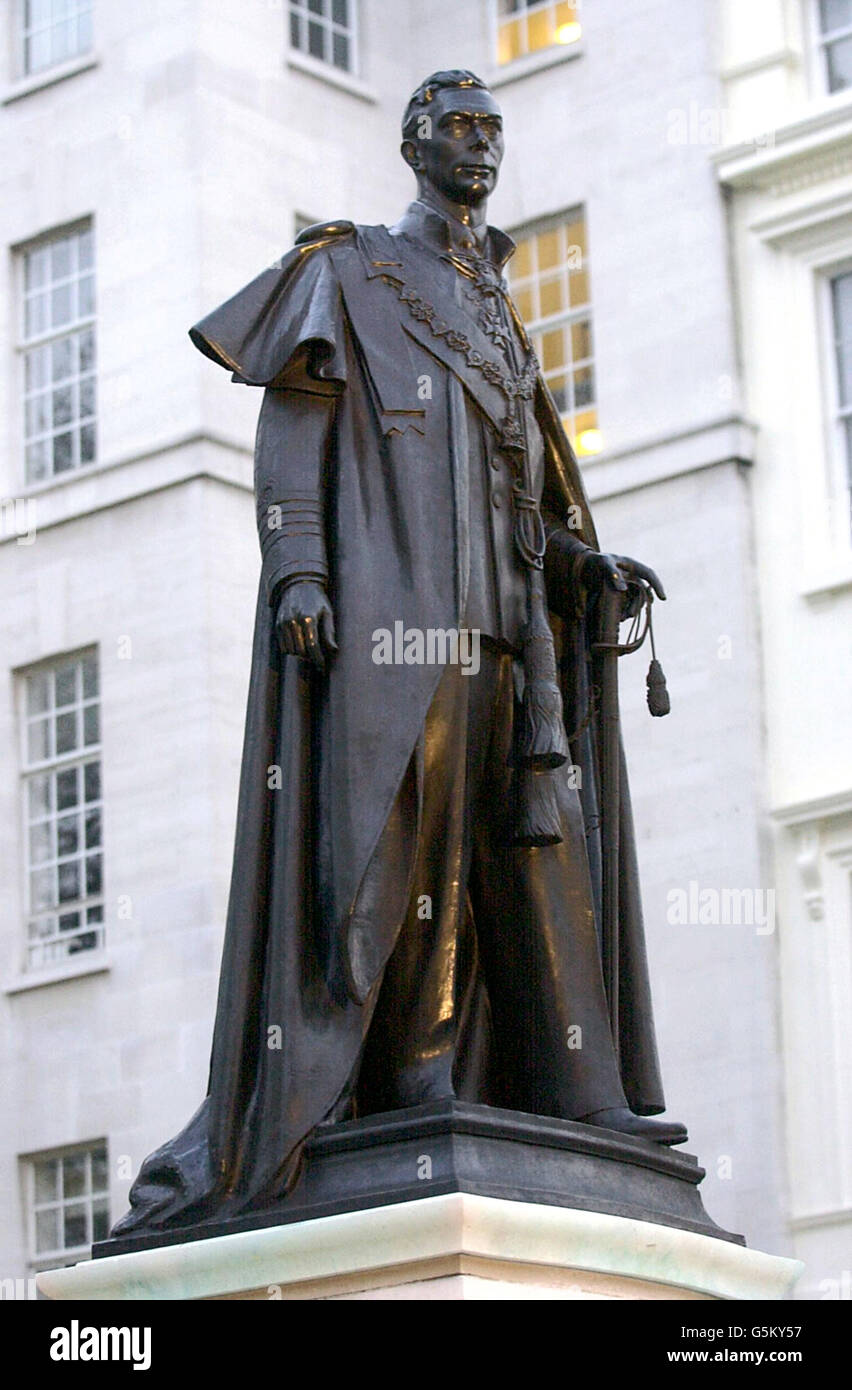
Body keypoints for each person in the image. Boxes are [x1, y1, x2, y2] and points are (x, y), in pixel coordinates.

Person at [113, 69, 685, 1238]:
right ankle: (415, 1076)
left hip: (513, 637)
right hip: (400, 619)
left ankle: (587, 1093)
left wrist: (589, 574)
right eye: (460, 128)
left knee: (537, 857)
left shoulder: (498, 307)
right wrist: (302, 571)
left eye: (493, 130)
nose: (481, 146)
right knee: (408, 849)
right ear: (415, 142)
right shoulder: (352, 269)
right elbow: (294, 429)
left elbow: (530, 496)